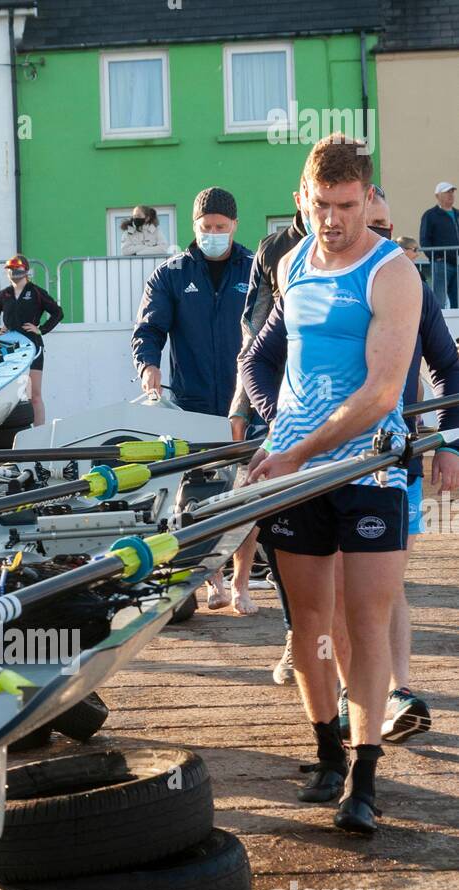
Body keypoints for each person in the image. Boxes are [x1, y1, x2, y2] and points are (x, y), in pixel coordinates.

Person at [244, 136, 422, 835]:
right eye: (321, 205)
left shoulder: (392, 272)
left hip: (369, 466)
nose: (333, 219)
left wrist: (301, 452)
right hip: (295, 467)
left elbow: (382, 392)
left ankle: (366, 771)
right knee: (309, 624)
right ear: (302, 197)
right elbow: (285, 373)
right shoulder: (290, 265)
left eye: (346, 205)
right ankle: (325, 752)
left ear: (367, 199)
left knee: (364, 622)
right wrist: (274, 443)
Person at [245, 187, 459, 744]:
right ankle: (352, 697)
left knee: (381, 593)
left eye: (385, 228)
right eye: (374, 225)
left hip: (390, 457)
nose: (378, 238)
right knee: (331, 595)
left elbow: (452, 370)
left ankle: (395, 691)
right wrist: (288, 428)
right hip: (313, 460)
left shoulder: (402, 281)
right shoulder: (303, 274)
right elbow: (257, 360)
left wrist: (453, 445)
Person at [132, 186, 253, 610]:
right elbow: (148, 331)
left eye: (221, 227)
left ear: (235, 226)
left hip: (247, 403)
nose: (213, 234)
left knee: (249, 492)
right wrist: (149, 368)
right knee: (197, 497)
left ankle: (241, 584)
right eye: (206, 228)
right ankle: (212, 580)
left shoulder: (255, 270)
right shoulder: (171, 274)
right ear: (195, 227)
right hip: (192, 403)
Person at [228, 194, 308, 625]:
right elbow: (253, 332)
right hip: (274, 399)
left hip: (335, 412)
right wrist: (242, 404)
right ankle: (240, 582)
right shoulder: (275, 249)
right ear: (304, 197)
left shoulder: (367, 250)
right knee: (254, 493)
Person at [0, 255, 63, 426]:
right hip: (11, 350)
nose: (13, 272)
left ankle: (39, 434)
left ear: (26, 271)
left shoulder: (36, 292)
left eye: (17, 269)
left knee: (34, 395)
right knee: (16, 397)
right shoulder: (4, 294)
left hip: (33, 347)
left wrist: (41, 329)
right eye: (10, 269)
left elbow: (57, 312)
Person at [419, 181, 459, 309]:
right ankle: (437, 328)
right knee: (439, 301)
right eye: (447, 192)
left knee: (457, 301)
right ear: (437, 196)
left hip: (457, 263)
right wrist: (435, 257)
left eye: (452, 192)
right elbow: (424, 240)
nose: (451, 195)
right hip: (441, 264)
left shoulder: (457, 214)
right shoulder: (430, 215)